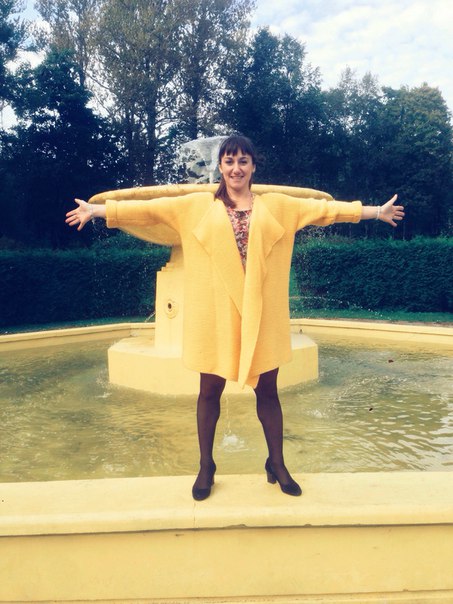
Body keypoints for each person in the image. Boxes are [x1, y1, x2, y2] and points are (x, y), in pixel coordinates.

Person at [66, 134, 404, 501]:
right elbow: (149, 211)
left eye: (243, 160)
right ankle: (206, 466)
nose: (236, 168)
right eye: (229, 161)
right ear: (220, 166)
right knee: (209, 391)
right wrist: (98, 211)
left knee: (268, 391)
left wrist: (375, 212)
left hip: (262, 314)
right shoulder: (195, 205)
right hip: (215, 315)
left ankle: (276, 463)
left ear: (253, 166)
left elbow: (325, 210)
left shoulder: (277, 206)